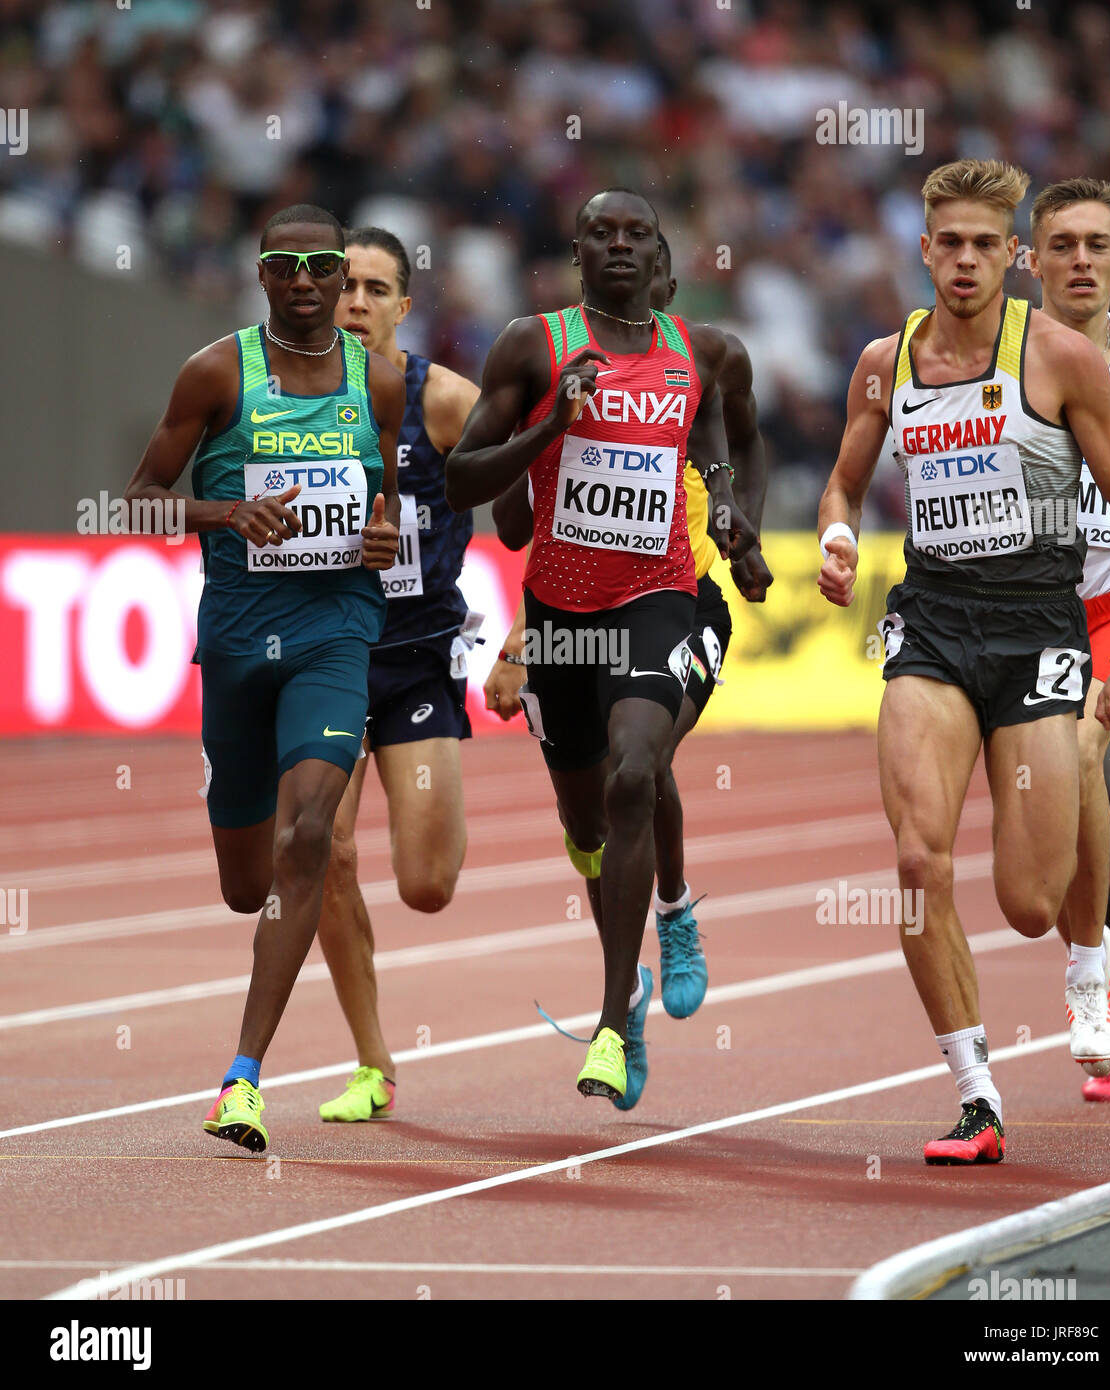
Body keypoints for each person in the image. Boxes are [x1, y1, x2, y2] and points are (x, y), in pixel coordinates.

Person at [817, 160, 1110, 1165]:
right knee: (919, 859)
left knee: (1029, 900)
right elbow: (841, 484)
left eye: (982, 245)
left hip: (1039, 627)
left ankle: (1087, 956)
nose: (963, 260)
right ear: (923, 251)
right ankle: (974, 1092)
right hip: (932, 624)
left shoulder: (1057, 359)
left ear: (1013, 255)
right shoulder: (885, 361)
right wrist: (838, 537)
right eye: (946, 242)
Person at [445, 188, 753, 1104]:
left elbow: (730, 445)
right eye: (599, 235)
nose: (619, 248)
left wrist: (739, 519)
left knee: (634, 771)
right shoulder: (529, 347)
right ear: (574, 255)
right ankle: (637, 969)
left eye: (637, 236)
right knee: (587, 822)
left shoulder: (698, 354)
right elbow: (467, 481)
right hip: (558, 622)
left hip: (660, 600)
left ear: (662, 255)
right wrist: (548, 426)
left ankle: (623, 1009)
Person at [124, 204, 403, 1152]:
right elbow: (129, 507)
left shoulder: (383, 380)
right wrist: (221, 515)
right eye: (284, 265)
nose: (305, 280)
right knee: (248, 885)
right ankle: (230, 793)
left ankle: (242, 1078)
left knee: (311, 836)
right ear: (262, 275)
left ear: (339, 275)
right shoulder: (216, 372)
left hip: (335, 637)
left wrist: (381, 537)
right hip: (240, 647)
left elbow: (388, 511)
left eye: (322, 265)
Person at [314, 227, 481, 1122]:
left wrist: (530, 636)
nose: (355, 302)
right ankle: (372, 1062)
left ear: (402, 307)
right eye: (343, 286)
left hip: (418, 658)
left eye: (376, 289)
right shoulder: (284, 400)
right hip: (324, 654)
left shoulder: (447, 401)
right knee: (326, 852)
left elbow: (538, 500)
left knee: (426, 885)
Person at [1029, 182, 1110, 1101]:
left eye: (1094, 245)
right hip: (1034, 621)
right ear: (1030, 261)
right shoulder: (1000, 360)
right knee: (1067, 811)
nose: (1078, 260)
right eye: (1059, 244)